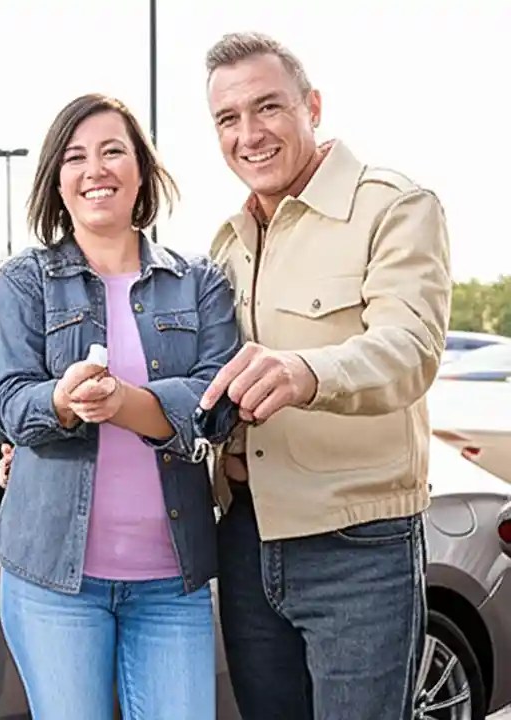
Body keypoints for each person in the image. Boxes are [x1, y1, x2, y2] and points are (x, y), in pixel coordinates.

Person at [196, 32, 452, 719]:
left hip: (358, 546)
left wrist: (306, 372)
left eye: (268, 108)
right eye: (228, 118)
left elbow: (411, 348)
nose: (249, 134)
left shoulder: (396, 206)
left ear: (311, 106)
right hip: (247, 538)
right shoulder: (225, 241)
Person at [0, 92, 240, 719]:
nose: (94, 169)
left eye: (112, 151)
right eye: (75, 156)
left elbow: (218, 404)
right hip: (53, 582)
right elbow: (12, 404)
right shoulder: (25, 282)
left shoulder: (199, 281)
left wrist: (122, 402)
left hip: (169, 580)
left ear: (141, 171)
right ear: (57, 179)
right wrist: (62, 402)